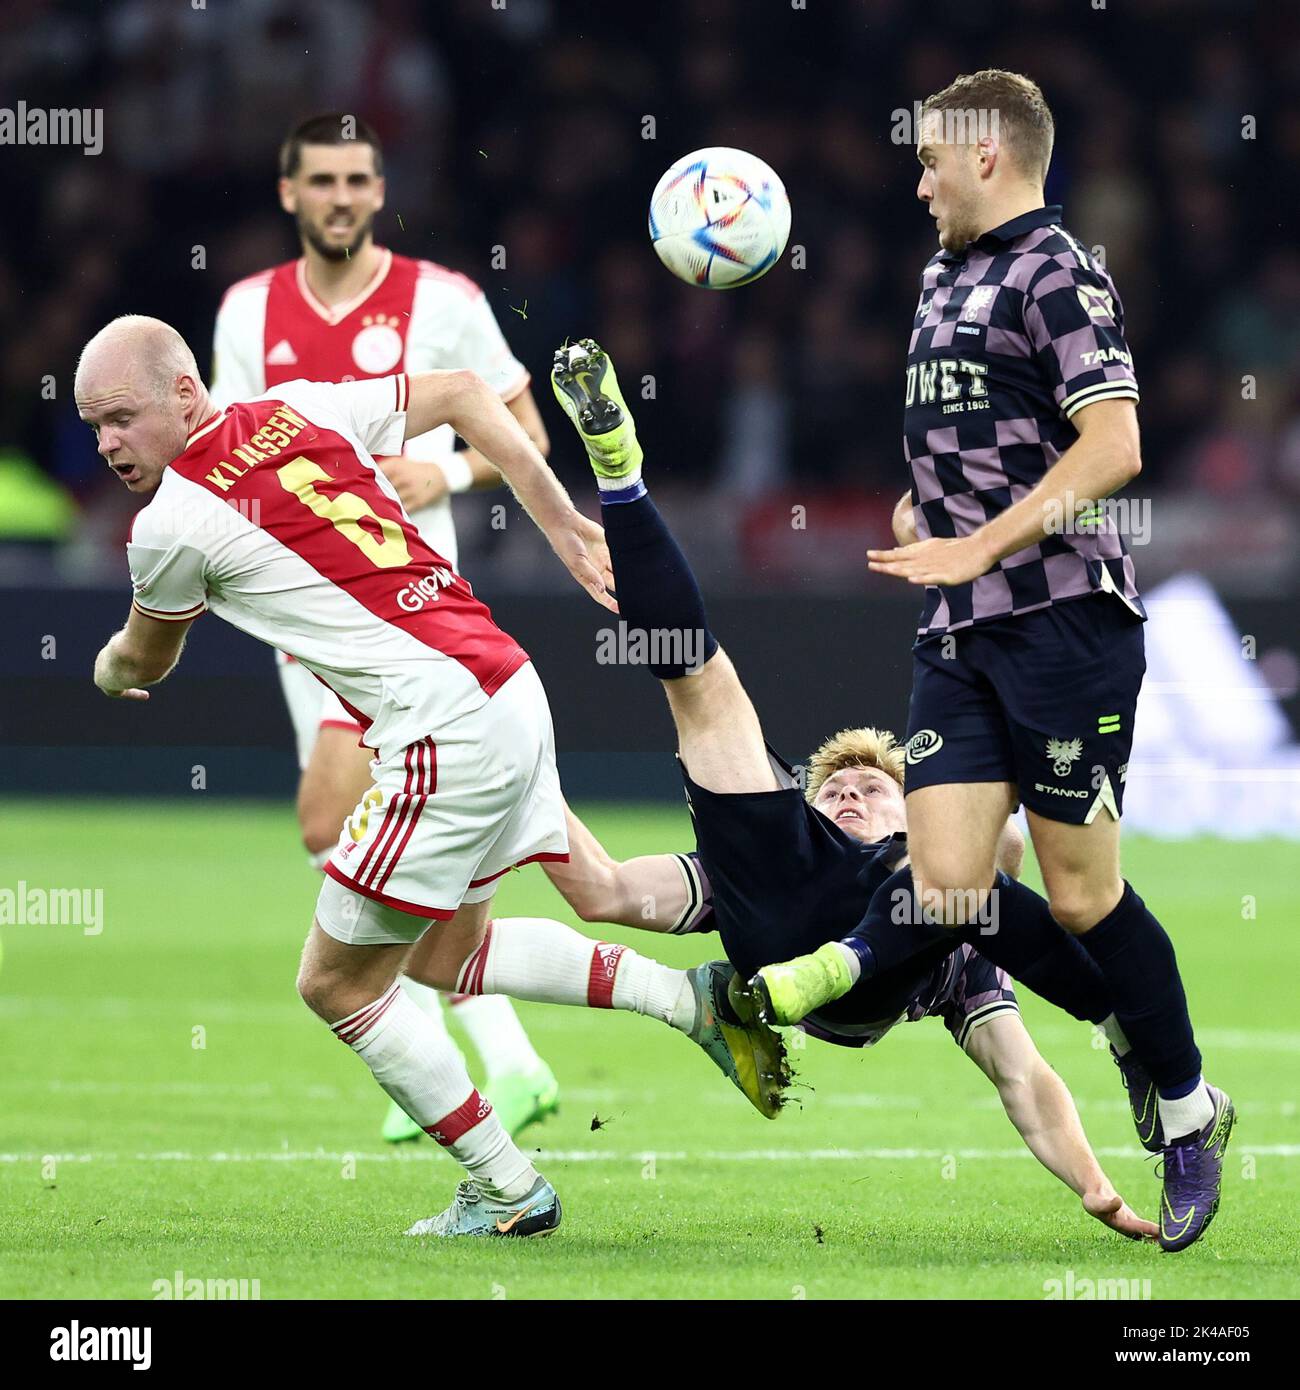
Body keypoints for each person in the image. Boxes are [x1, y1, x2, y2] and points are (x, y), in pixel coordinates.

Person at [421, 334, 1155, 1241]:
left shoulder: (946, 897)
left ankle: (858, 966)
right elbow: (602, 890)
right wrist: (522, 778)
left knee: (967, 872)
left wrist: (1094, 1186)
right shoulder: (764, 860)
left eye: (872, 789)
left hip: (894, 919)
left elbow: (1024, 1080)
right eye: (837, 785)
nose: (850, 792)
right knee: (696, 677)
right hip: (777, 893)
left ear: (912, 800)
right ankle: (621, 475)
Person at [82, 315, 781, 1237]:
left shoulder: (169, 526)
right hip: (506, 685)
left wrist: (105, 670)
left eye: (122, 418)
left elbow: (147, 659)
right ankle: (685, 998)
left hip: (442, 732)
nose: (106, 444)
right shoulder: (296, 408)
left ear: (183, 393)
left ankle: (507, 1187)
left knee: (335, 984)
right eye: (94, 425)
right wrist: (562, 517)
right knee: (447, 956)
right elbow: (459, 393)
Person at [751, 70, 1233, 1252]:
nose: (915, 184)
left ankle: (1184, 1112)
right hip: (961, 633)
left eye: (928, 162)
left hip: (1064, 621)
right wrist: (931, 527)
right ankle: (1124, 1033)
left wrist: (982, 539)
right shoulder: (941, 276)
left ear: (987, 157)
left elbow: (1112, 442)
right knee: (951, 884)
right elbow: (966, 455)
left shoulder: (1058, 269)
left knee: (1080, 893)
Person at [211, 112, 559, 1142]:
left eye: (358, 179)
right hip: (300, 610)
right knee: (373, 839)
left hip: (407, 615)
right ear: (290, 193)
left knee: (333, 824)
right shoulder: (246, 311)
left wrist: (445, 467)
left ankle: (464, 1058)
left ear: (379, 189)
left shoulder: (442, 302)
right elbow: (227, 450)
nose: (341, 197)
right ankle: (500, 1058)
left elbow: (525, 435)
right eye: (321, 180)